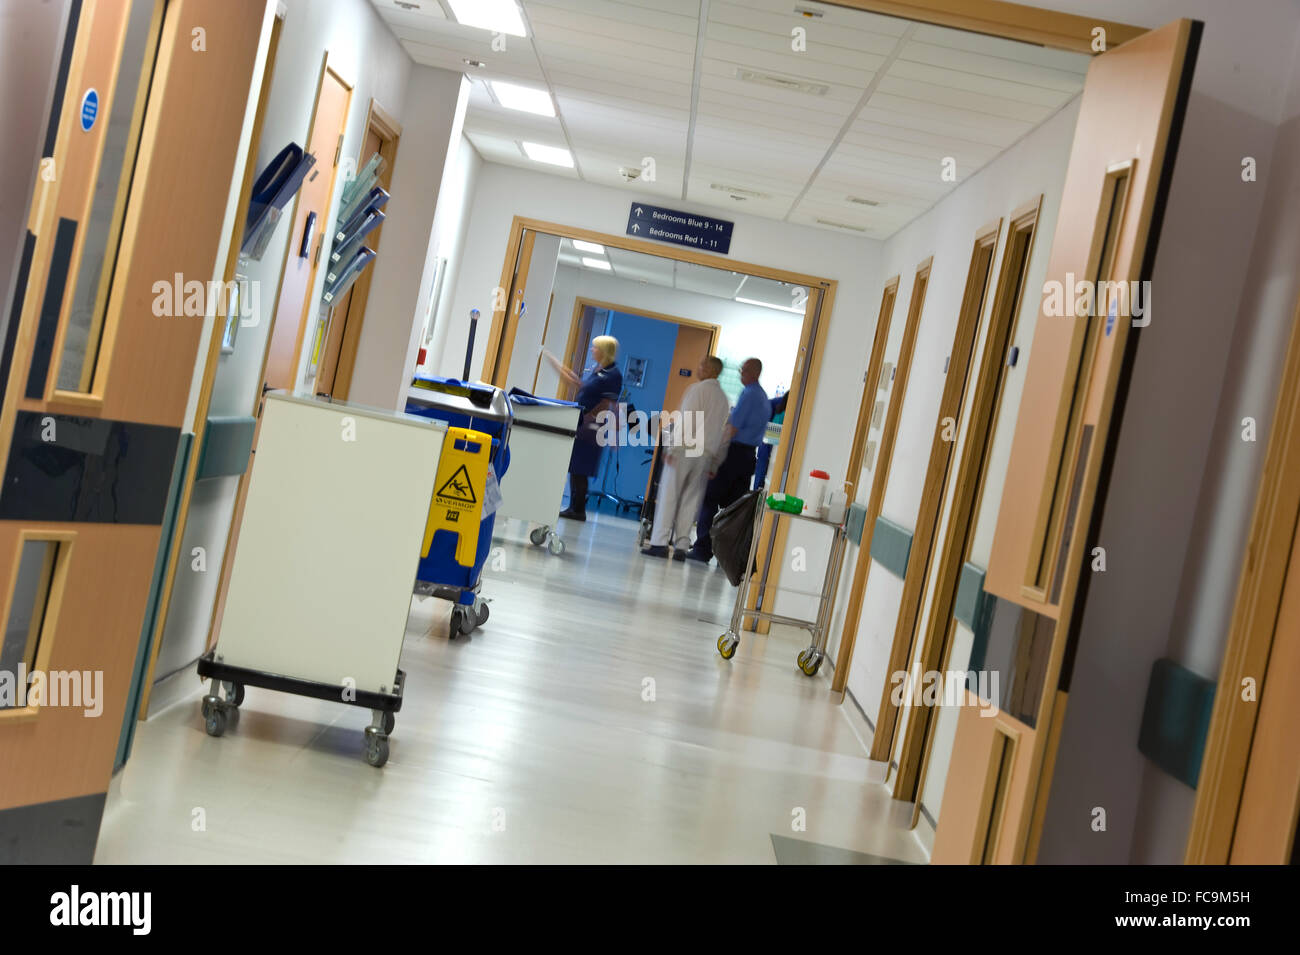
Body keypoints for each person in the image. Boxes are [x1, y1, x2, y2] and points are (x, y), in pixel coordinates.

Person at [642, 355, 730, 560]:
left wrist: (671, 448)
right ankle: (681, 546)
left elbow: (685, 421)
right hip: (705, 455)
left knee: (669, 496)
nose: (698, 368)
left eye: (701, 365)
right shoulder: (724, 399)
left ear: (709, 369)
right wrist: (715, 463)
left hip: (684, 450)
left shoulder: (697, 390)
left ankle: (660, 543)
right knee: (691, 501)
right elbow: (722, 433)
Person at [686, 357, 769, 564]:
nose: (741, 372)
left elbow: (732, 429)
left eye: (745, 370)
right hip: (749, 458)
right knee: (732, 508)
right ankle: (726, 556)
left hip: (734, 455)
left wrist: (715, 453)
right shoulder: (763, 397)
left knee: (709, 499)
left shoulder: (749, 394)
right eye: (741, 369)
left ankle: (702, 549)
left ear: (755, 373)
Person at [544, 336, 622, 522]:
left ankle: (578, 510)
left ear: (604, 350)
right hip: (582, 423)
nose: (592, 350)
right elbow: (578, 383)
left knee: (581, 468)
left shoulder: (613, 374)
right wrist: (555, 363)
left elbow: (608, 403)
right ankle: (574, 507)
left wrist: (589, 418)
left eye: (595, 348)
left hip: (592, 427)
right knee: (575, 467)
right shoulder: (598, 371)